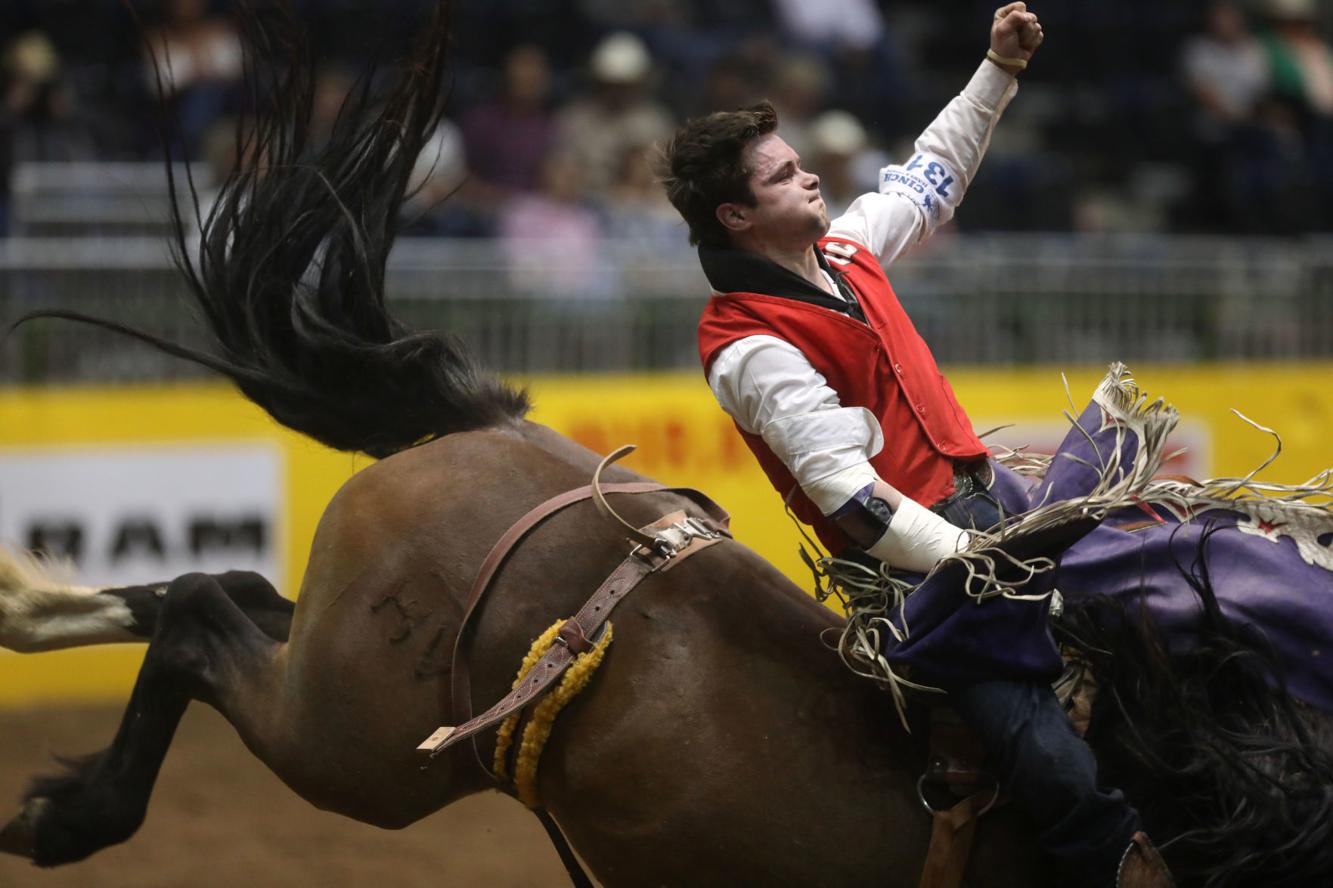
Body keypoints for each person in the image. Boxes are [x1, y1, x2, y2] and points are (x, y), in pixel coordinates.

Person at [658, 4, 1174, 886]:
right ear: (738, 216)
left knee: (1156, 573)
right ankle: (1117, 861)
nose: (810, 176)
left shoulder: (846, 254)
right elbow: (855, 505)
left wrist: (997, 68)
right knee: (1033, 739)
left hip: (985, 512)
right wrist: (983, 562)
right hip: (916, 567)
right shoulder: (747, 346)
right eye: (784, 177)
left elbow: (930, 171)